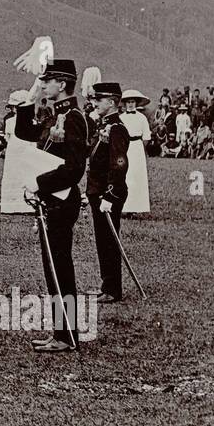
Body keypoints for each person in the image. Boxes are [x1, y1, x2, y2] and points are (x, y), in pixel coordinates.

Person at [14, 58, 89, 352]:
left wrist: (39, 183)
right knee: (53, 268)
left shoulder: (73, 119)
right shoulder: (54, 115)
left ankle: (66, 336)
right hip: (52, 199)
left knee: (59, 268)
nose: (42, 85)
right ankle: (62, 332)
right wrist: (30, 97)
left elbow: (74, 169)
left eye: (46, 81)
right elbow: (24, 132)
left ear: (62, 84)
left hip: (61, 200)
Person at [85, 82, 131, 304]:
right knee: (102, 241)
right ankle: (107, 285)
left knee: (109, 241)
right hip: (98, 191)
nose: (95, 103)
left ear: (111, 102)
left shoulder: (117, 129)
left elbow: (119, 163)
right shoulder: (102, 125)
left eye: (99, 100)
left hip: (108, 193)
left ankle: (113, 289)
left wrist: (110, 195)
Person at [119, 89, 152, 213]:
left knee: (137, 176)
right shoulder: (121, 118)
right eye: (128, 102)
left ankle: (137, 207)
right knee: (126, 176)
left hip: (137, 147)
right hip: (125, 148)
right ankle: (125, 207)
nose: (131, 104)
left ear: (136, 103)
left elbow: (146, 137)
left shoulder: (142, 118)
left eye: (133, 102)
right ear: (125, 104)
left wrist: (138, 148)